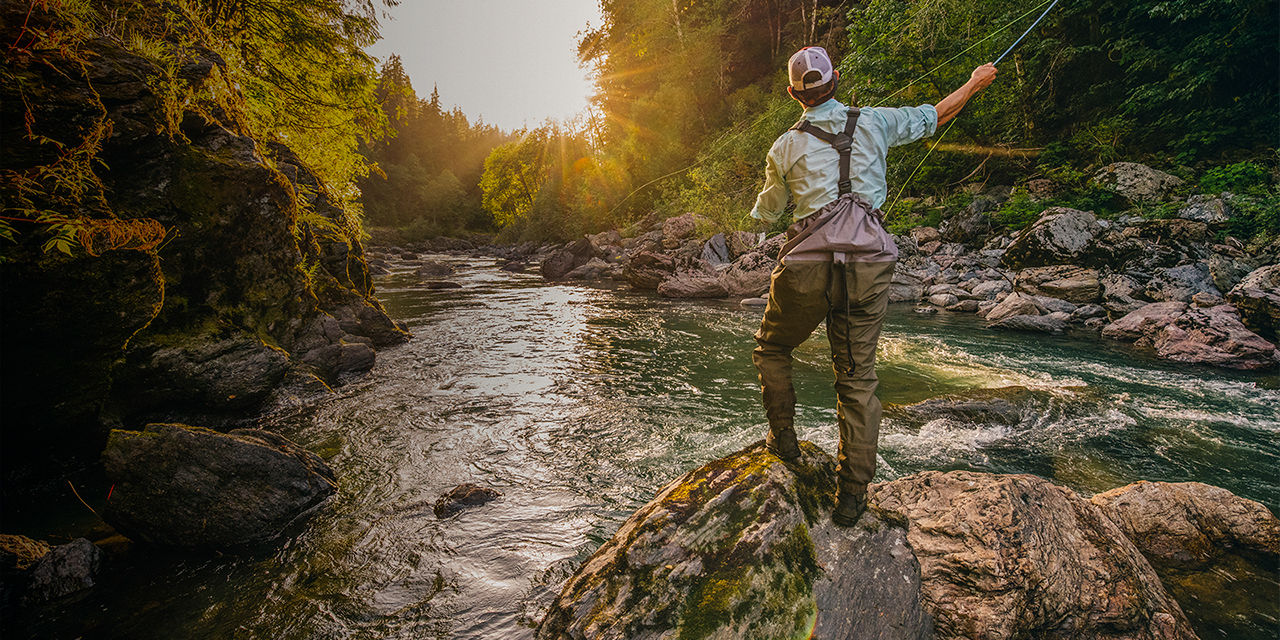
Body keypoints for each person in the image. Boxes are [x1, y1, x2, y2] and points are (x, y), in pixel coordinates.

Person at [750, 46, 997, 526]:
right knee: (858, 380)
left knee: (772, 348)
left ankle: (783, 442)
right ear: (836, 80)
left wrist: (765, 206)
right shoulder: (878, 121)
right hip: (869, 264)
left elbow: (771, 208)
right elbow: (938, 114)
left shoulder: (784, 146)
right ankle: (852, 499)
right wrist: (973, 82)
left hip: (806, 269)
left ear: (792, 93)